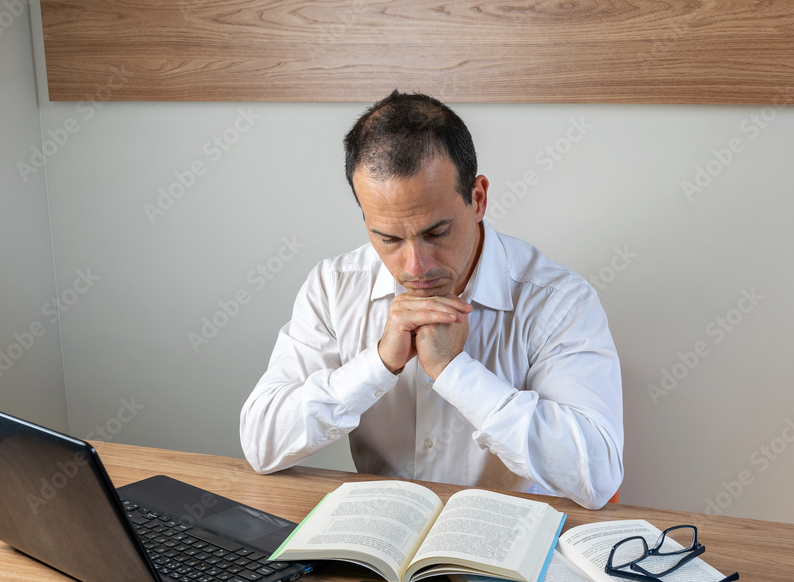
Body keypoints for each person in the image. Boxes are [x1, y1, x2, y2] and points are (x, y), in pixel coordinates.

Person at [240, 91, 623, 509]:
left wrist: (455, 372)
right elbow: (262, 443)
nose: (416, 266)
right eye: (387, 238)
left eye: (436, 233)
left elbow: (598, 475)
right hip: (380, 541)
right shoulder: (333, 287)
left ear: (478, 199)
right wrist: (378, 364)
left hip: (509, 549)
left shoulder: (557, 301)